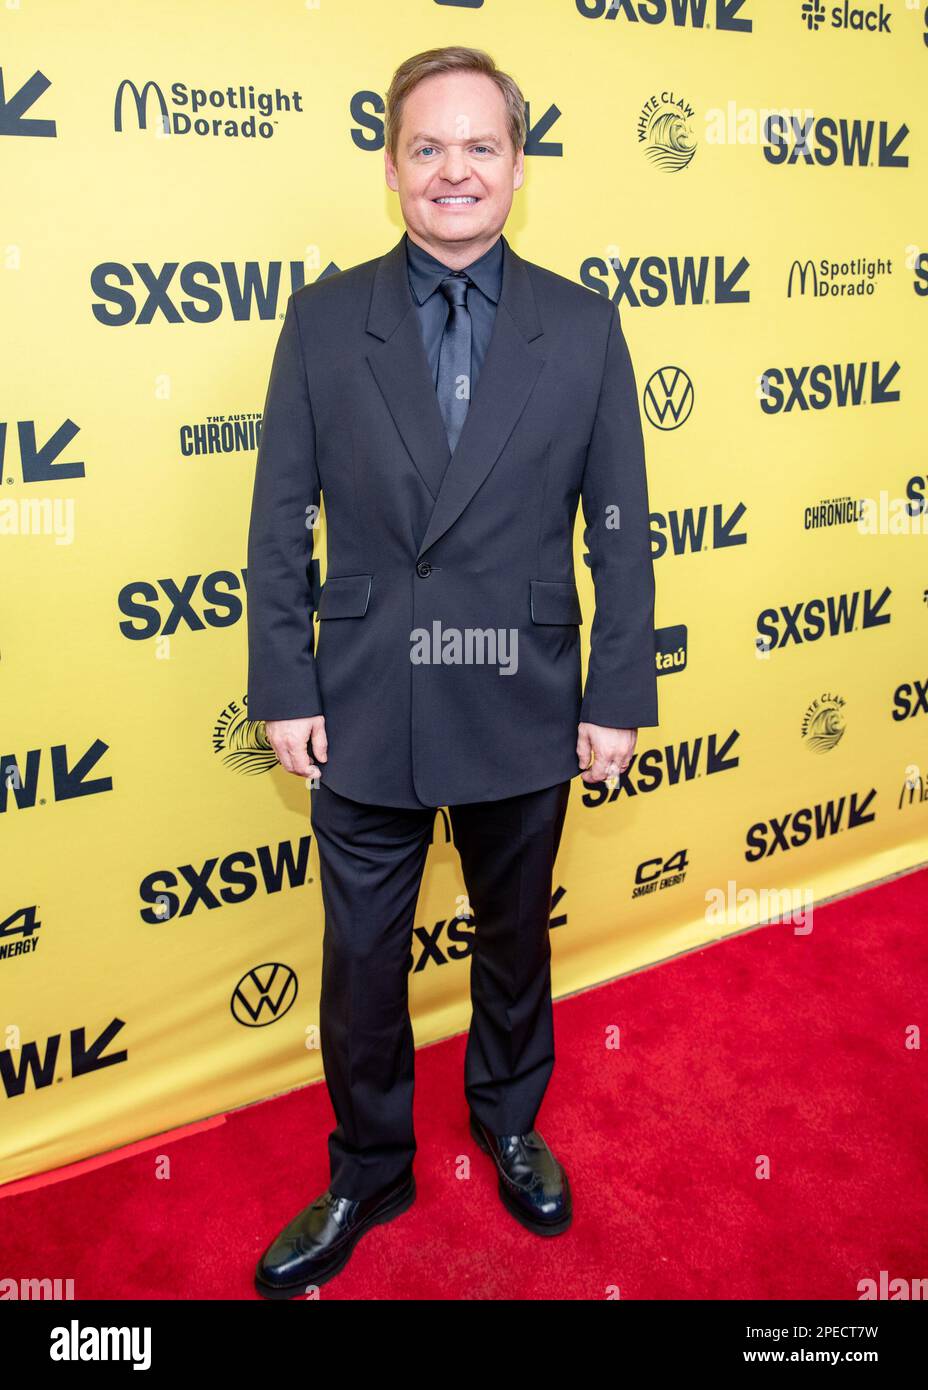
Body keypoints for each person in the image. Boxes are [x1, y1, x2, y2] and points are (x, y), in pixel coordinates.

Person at [245, 44, 658, 1298]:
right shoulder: (323, 321)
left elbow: (620, 529)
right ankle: (368, 1167)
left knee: (515, 938)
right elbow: (278, 521)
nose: (455, 170)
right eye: (428, 147)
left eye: (482, 145)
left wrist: (617, 695)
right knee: (362, 958)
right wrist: (283, 681)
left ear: (518, 167)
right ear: (391, 169)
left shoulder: (583, 327)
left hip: (520, 693)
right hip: (365, 692)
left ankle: (509, 1120)